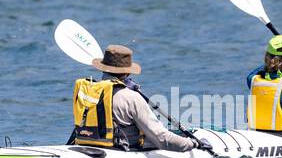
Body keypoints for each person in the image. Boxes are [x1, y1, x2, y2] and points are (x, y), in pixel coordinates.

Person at [70, 44, 202, 152]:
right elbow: (162, 139)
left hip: (88, 143)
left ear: (103, 68)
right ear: (127, 72)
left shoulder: (89, 91)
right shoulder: (132, 97)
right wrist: (192, 144)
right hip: (121, 151)